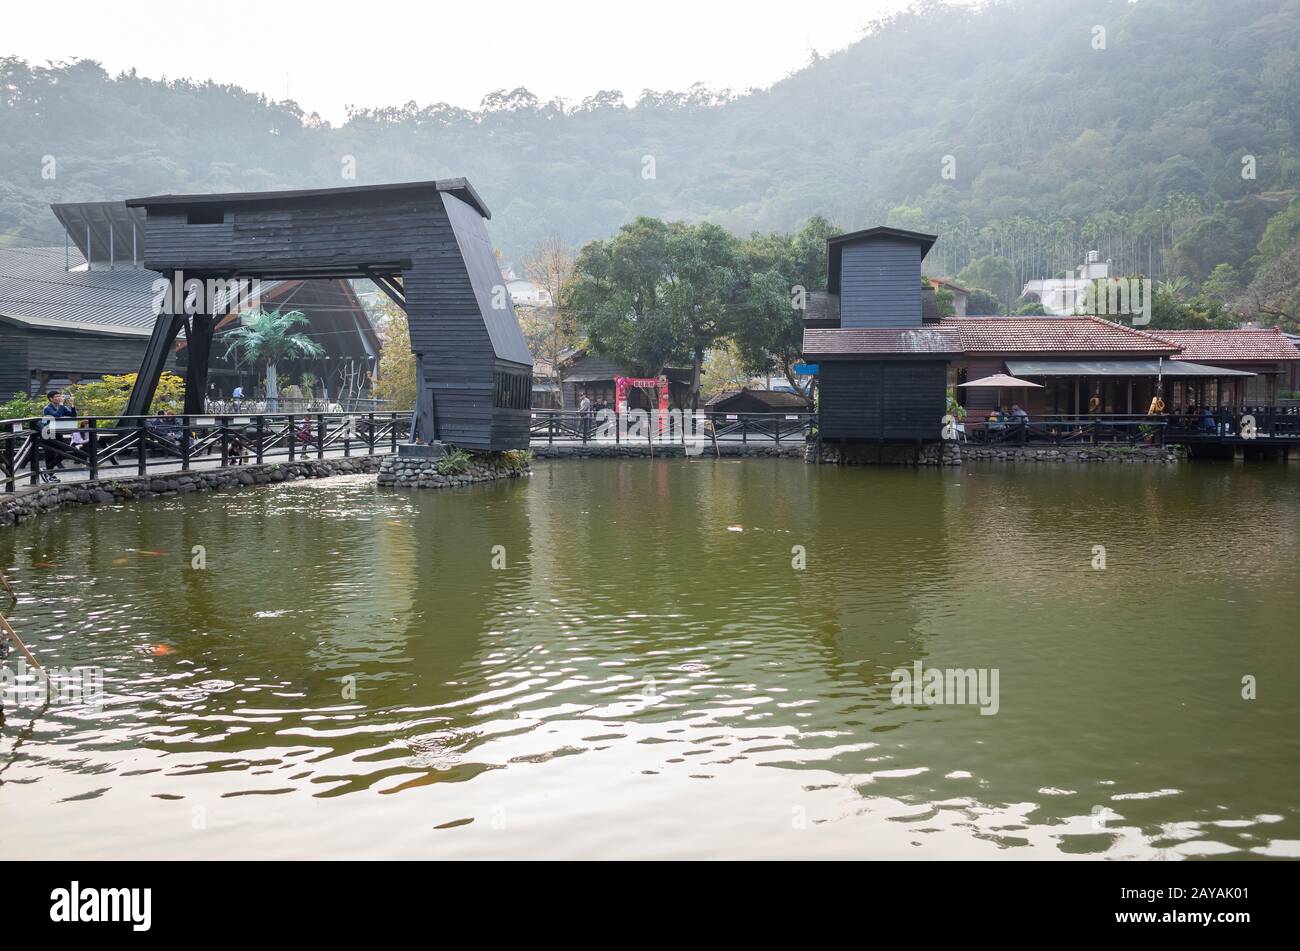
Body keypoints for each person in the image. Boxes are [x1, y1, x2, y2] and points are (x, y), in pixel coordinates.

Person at [40, 390, 77, 482]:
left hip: (58, 433)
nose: (59, 398)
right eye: (56, 396)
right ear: (51, 399)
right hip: (48, 433)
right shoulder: (47, 408)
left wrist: (72, 404)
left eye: (60, 396)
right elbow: (56, 416)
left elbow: (73, 415)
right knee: (50, 455)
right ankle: (50, 476)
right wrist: (61, 405)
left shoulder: (62, 407)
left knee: (64, 451)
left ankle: (47, 470)